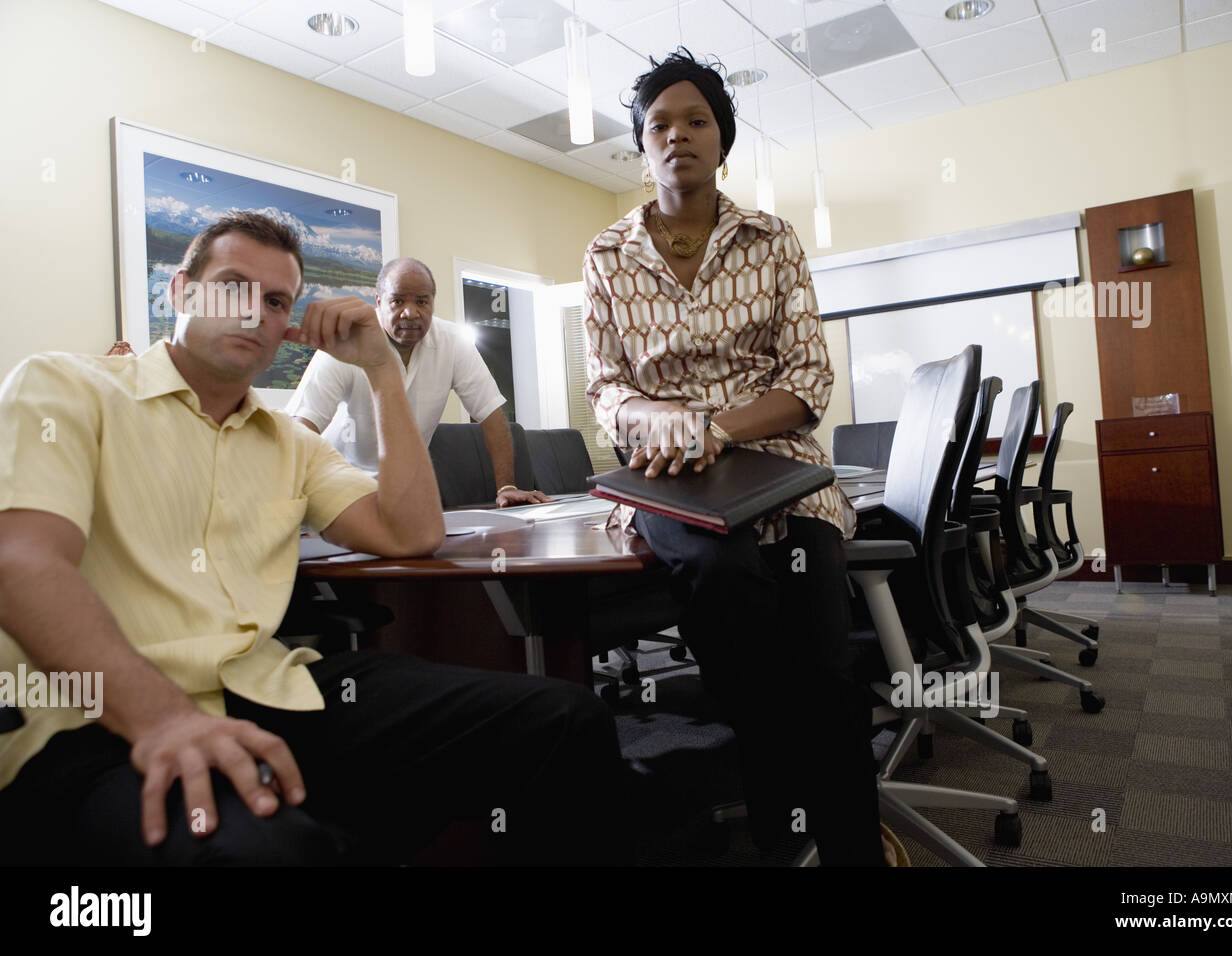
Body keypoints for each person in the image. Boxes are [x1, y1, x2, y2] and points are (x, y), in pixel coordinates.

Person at [0, 212, 622, 865]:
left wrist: (382, 369)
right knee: (270, 852)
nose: (253, 313)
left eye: (274, 302)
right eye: (232, 287)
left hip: (269, 692)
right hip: (96, 723)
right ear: (181, 292)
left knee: (566, 722)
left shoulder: (289, 442)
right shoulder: (66, 387)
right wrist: (163, 717)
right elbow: (22, 563)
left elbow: (412, 532)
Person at [584, 50, 887, 865]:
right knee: (726, 582)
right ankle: (787, 826)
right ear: (641, 147)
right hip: (666, 474)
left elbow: (808, 380)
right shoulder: (607, 256)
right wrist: (665, 422)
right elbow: (606, 389)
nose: (676, 134)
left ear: (723, 140)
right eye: (658, 125)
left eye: (696, 121)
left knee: (825, 664)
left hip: (780, 466)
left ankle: (849, 842)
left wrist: (717, 426)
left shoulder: (772, 240)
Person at [287, 256, 548, 508]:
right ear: (379, 301)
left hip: (403, 491)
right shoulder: (346, 341)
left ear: (433, 303)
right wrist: (293, 499)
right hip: (336, 486)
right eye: (398, 301)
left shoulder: (454, 342)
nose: (410, 313)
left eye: (422, 301)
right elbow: (304, 426)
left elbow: (492, 415)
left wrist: (507, 487)